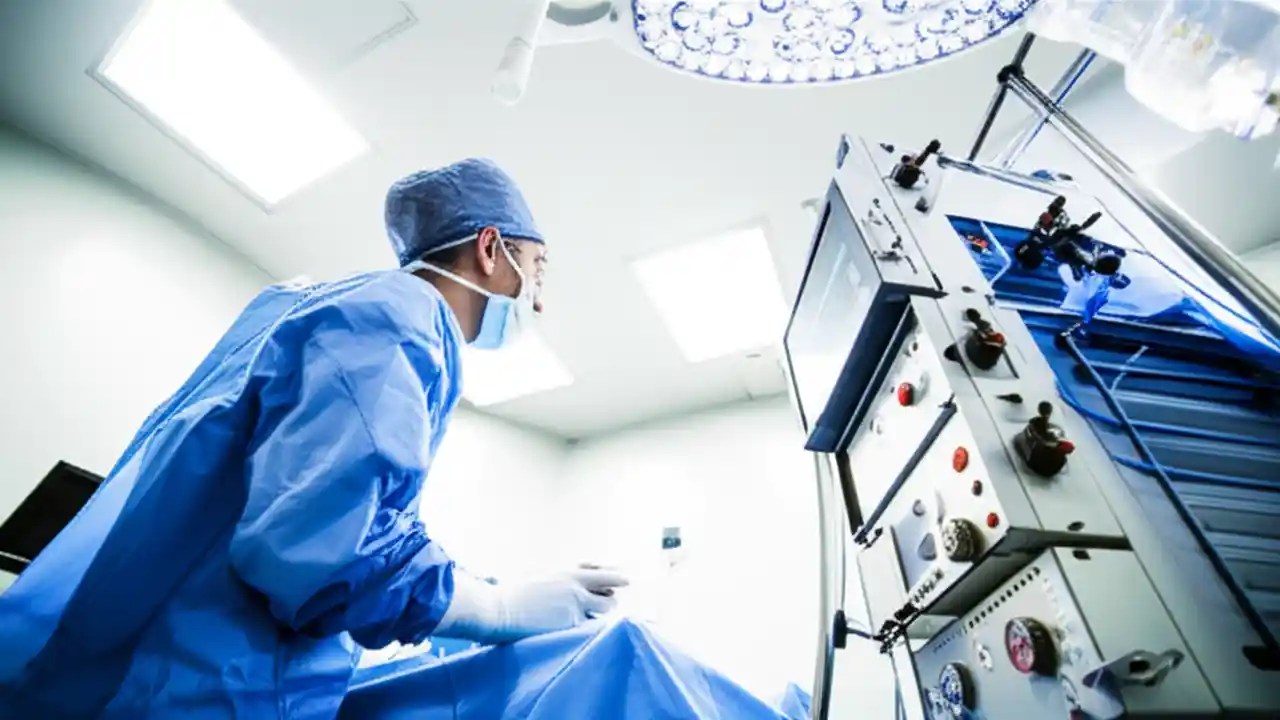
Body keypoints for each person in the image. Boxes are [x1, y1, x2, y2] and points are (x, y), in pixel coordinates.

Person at [0, 158, 627, 719]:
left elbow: (338, 519)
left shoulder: (324, 310)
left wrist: (481, 592)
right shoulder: (400, 319)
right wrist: (500, 611)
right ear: (491, 248)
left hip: (144, 662)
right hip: (199, 688)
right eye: (538, 269)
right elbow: (318, 549)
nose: (539, 303)